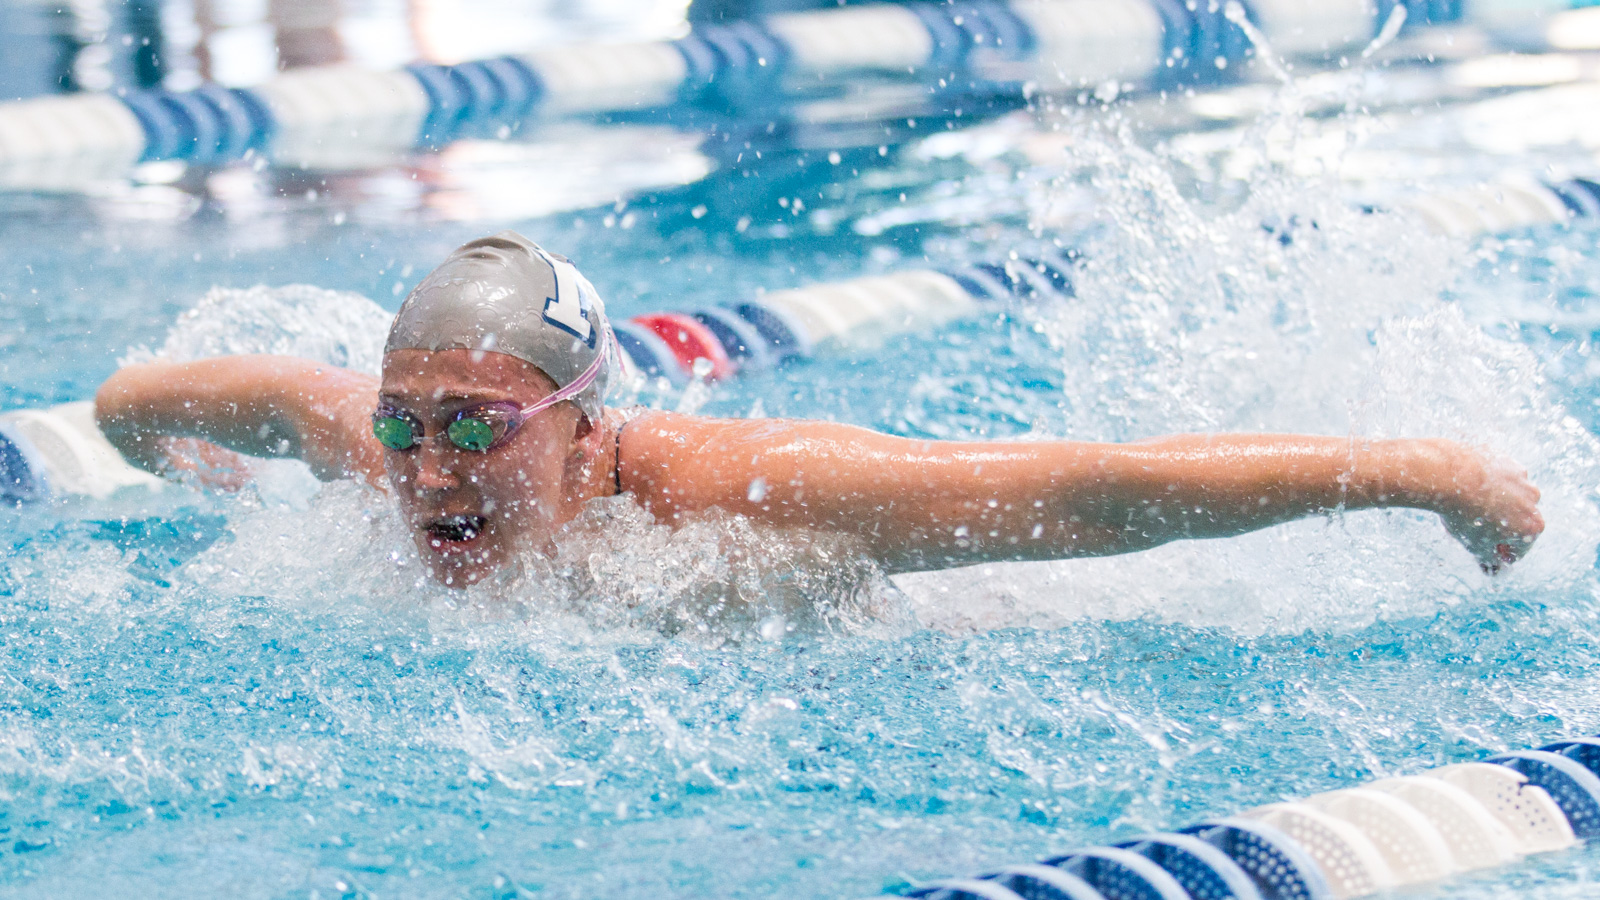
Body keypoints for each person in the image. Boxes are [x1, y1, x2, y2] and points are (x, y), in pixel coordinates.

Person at [94, 231, 1545, 588]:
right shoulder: (382, 442)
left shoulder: (738, 490)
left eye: (478, 428)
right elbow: (130, 401)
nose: (425, 470)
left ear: (589, 430)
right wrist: (183, 471)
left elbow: (1089, 488)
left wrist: (1401, 466)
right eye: (409, 425)